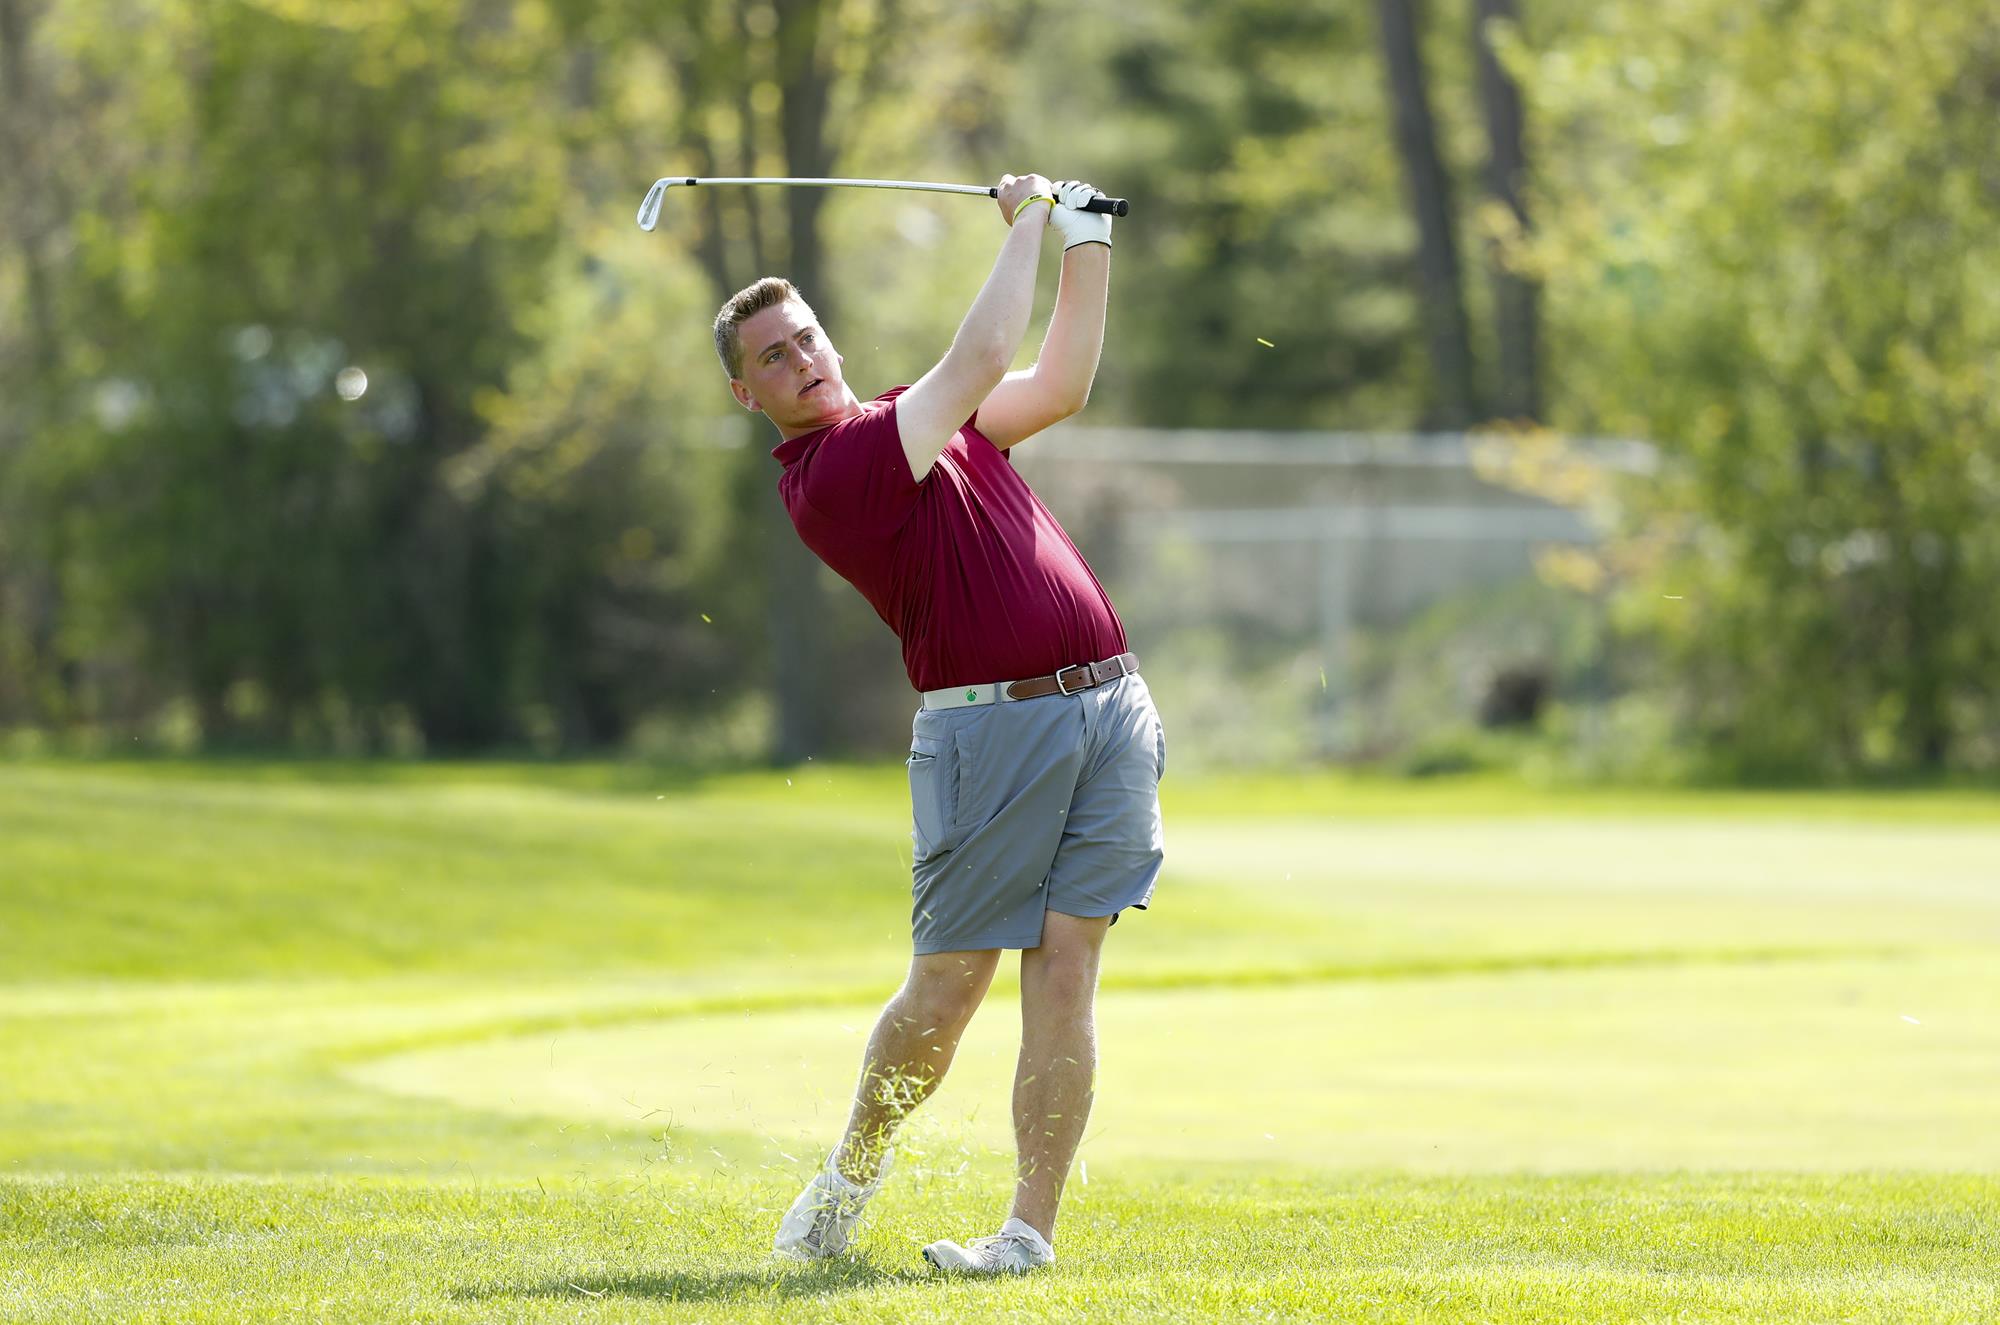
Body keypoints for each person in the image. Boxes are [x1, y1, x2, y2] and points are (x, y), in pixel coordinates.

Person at [711, 173, 1166, 1276]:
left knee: (1066, 968)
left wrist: (1086, 240)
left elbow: (1055, 384)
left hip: (1107, 705)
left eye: (805, 337)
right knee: (950, 985)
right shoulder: (832, 471)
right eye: (773, 356)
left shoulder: (914, 422)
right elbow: (975, 362)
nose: (803, 359)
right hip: (989, 735)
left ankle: (1025, 1233)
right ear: (747, 394)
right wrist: (1021, 228)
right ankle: (848, 1175)